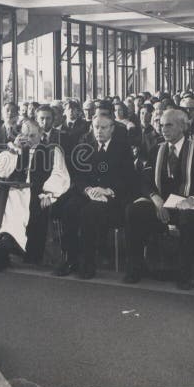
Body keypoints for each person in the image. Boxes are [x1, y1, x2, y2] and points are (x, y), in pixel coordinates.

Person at [124, 109, 194, 290]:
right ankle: (135, 267)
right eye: (161, 125)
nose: (163, 129)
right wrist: (156, 200)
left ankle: (184, 274)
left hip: (189, 205)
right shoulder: (155, 150)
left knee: (188, 218)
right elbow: (144, 182)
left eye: (169, 125)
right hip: (162, 204)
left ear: (183, 126)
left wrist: (192, 200)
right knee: (133, 211)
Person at [0, 119, 70, 270]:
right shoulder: (15, 149)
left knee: (18, 204)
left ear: (41, 134)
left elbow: (60, 175)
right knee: (5, 199)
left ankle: (7, 244)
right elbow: (1, 171)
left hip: (37, 192)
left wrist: (49, 193)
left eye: (33, 135)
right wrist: (14, 149)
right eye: (25, 135)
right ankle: (2, 240)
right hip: (14, 190)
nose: (29, 139)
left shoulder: (52, 150)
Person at [54, 114, 135, 278]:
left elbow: (127, 178)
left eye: (103, 127)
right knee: (69, 209)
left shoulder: (123, 148)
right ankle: (71, 258)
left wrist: (107, 190)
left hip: (112, 197)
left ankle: (88, 262)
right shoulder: (86, 146)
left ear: (112, 129)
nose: (99, 131)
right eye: (96, 127)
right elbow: (79, 177)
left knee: (88, 213)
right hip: (89, 193)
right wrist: (89, 189)